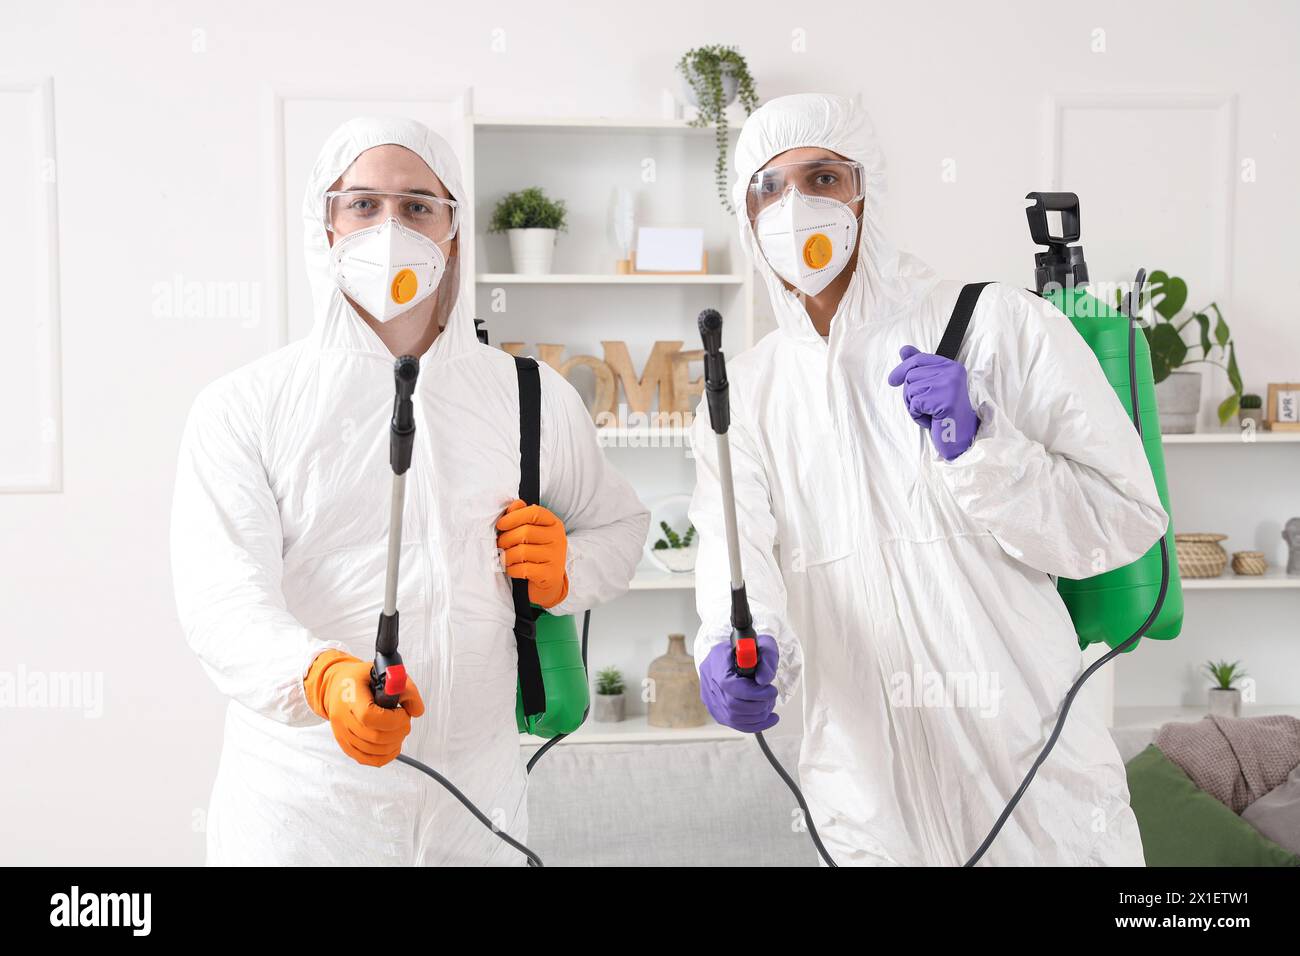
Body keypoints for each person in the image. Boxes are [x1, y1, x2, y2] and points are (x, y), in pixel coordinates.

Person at [691, 94, 1168, 866]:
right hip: (868, 801)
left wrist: (984, 447)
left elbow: (1124, 515)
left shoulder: (996, 325)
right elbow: (733, 554)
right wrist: (734, 646)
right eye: (768, 188)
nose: (796, 206)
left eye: (822, 177)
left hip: (1030, 778)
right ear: (747, 219)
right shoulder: (744, 393)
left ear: (864, 192)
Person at [171, 117, 648, 866]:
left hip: (478, 804)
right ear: (324, 224)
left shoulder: (531, 396)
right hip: (303, 808)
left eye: (418, 206)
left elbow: (619, 529)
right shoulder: (245, 408)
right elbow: (220, 600)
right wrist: (321, 679)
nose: (390, 227)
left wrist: (567, 570)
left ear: (452, 231)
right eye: (363, 205)